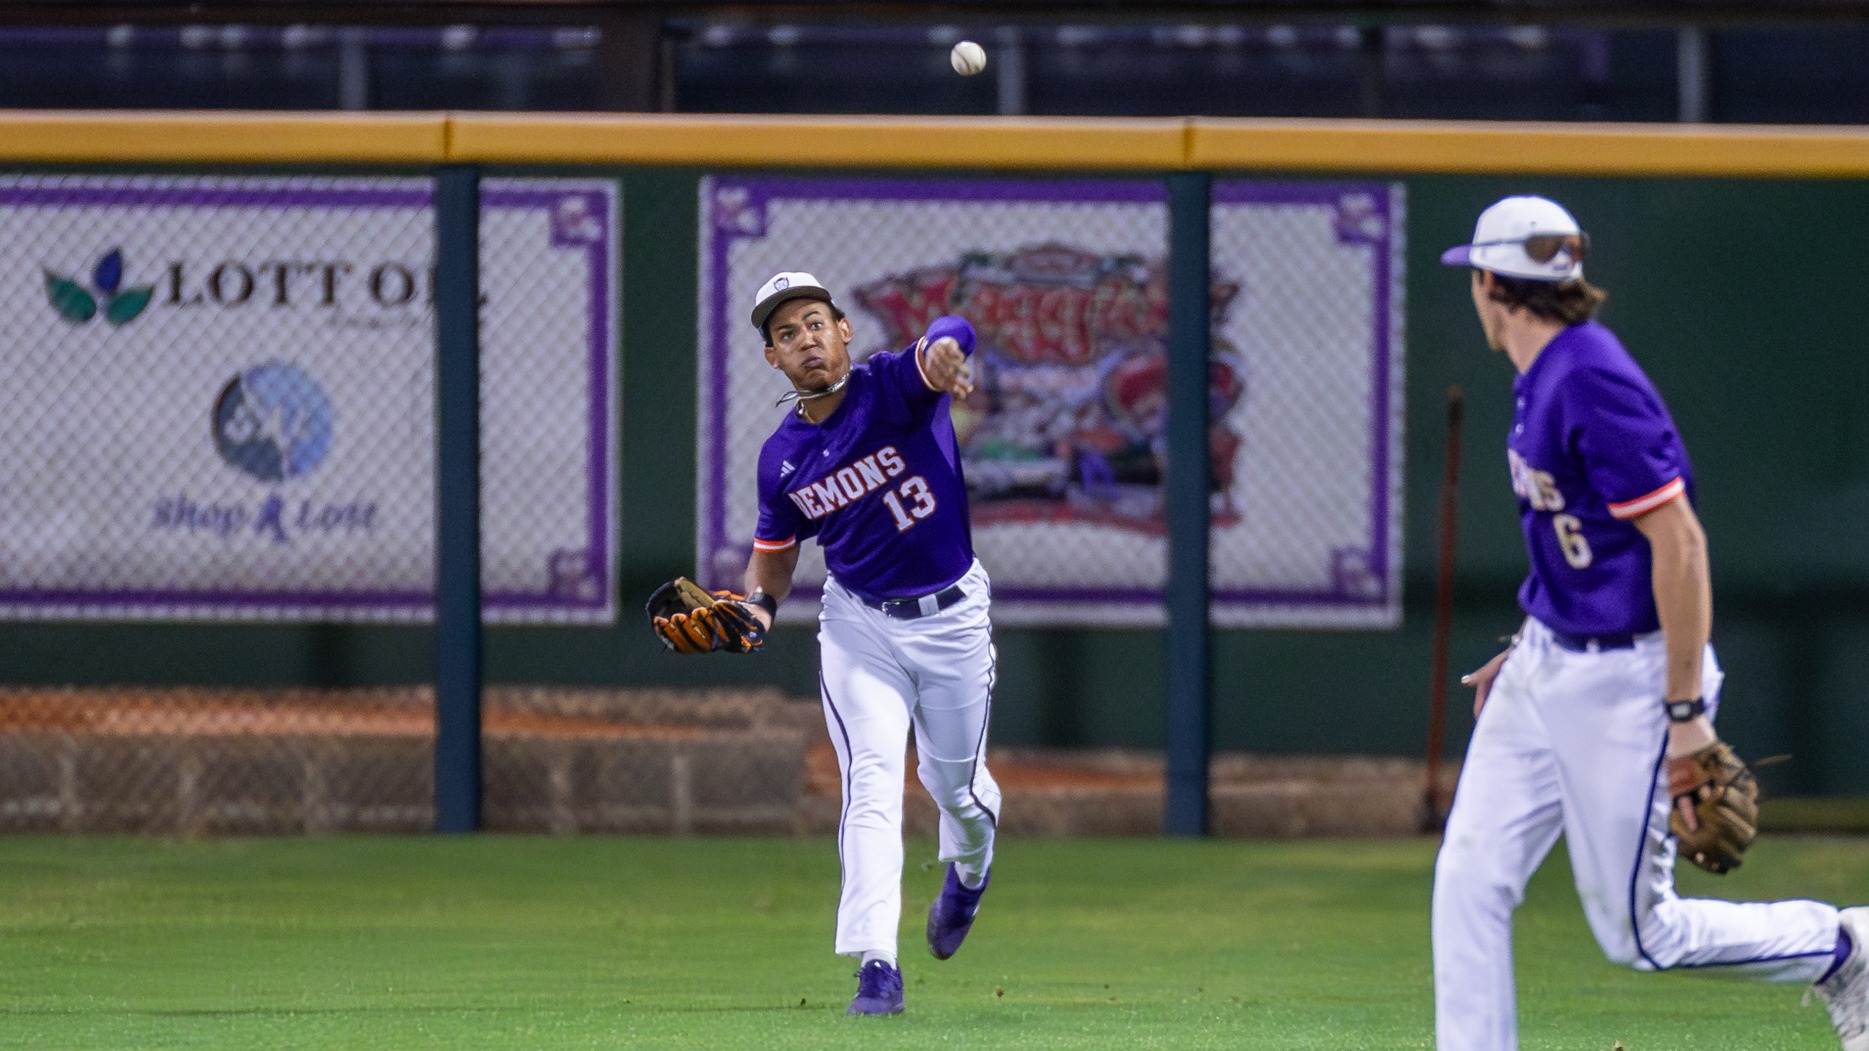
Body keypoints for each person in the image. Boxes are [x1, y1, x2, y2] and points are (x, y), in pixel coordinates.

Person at [1432, 195, 1869, 1050]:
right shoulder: (1542, 371)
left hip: (1626, 679)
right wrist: (1526, 643)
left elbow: (1680, 545)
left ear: (1486, 283)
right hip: (1548, 659)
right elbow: (1581, 542)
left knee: (1641, 936)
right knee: (1468, 878)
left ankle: (1847, 949)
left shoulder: (1589, 377)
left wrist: (1683, 715)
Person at [738, 271, 1001, 1017]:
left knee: (958, 790)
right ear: (773, 360)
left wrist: (949, 352)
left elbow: (951, 329)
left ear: (843, 329)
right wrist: (758, 604)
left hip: (951, 619)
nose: (805, 339)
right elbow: (777, 548)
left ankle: (970, 873)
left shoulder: (894, 386)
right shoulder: (781, 457)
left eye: (815, 322)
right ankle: (875, 965)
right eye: (786, 334)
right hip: (859, 627)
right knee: (872, 784)